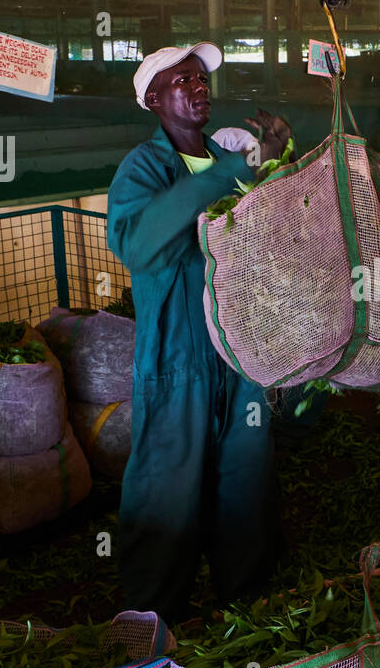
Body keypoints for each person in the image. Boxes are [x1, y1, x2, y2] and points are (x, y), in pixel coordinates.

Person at [105, 42, 291, 621]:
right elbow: (137, 244)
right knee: (169, 480)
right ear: (155, 99)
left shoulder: (229, 159)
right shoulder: (144, 168)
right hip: (178, 356)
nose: (199, 86)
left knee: (246, 472)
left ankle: (245, 602)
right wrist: (230, 174)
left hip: (240, 353)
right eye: (184, 80)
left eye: (203, 78)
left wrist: (274, 160)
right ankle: (154, 615)